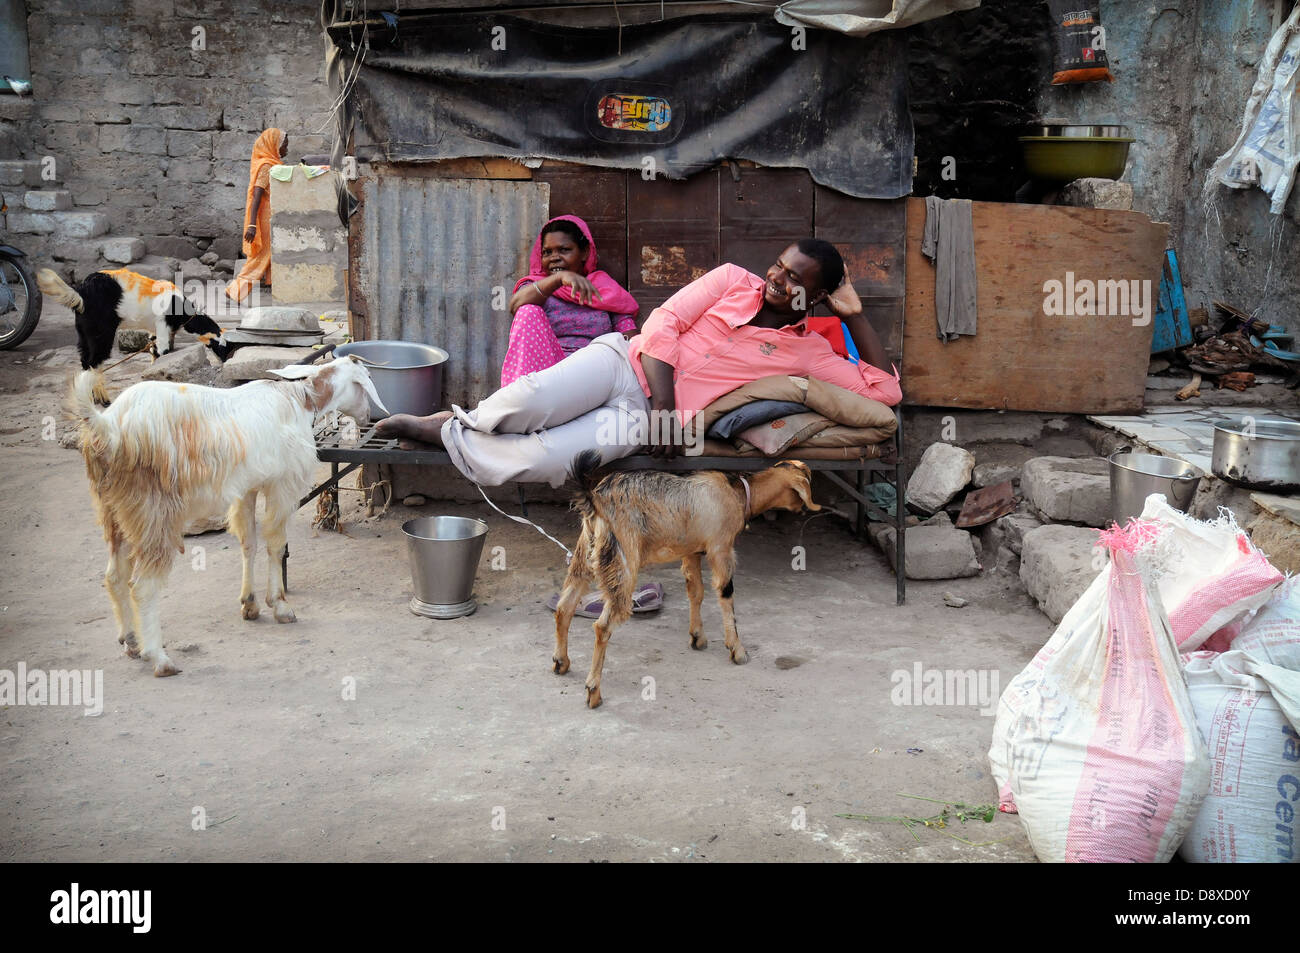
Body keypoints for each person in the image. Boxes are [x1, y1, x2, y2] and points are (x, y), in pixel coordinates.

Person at [376, 238, 901, 487]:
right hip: (624, 366)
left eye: (795, 281)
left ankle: (453, 436)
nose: (777, 281)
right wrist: (665, 413)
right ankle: (454, 423)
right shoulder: (728, 279)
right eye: (779, 266)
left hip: (643, 419)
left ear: (817, 295)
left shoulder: (808, 349)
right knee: (531, 398)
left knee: (549, 462)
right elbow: (662, 325)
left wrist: (855, 317)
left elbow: (884, 394)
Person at [502, 215, 639, 387]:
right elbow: (516, 305)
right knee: (529, 311)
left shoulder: (604, 289)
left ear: (584, 253)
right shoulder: (536, 287)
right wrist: (558, 279)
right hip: (547, 375)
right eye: (547, 252)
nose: (554, 258)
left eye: (564, 249)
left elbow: (630, 340)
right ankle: (521, 397)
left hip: (594, 373)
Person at [225, 128, 289, 304]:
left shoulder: (272, 164)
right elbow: (256, 195)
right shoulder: (267, 166)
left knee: (269, 256)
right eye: (284, 145)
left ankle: (277, 290)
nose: (286, 150)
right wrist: (252, 225)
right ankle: (235, 291)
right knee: (259, 257)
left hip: (270, 218)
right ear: (274, 145)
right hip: (264, 220)